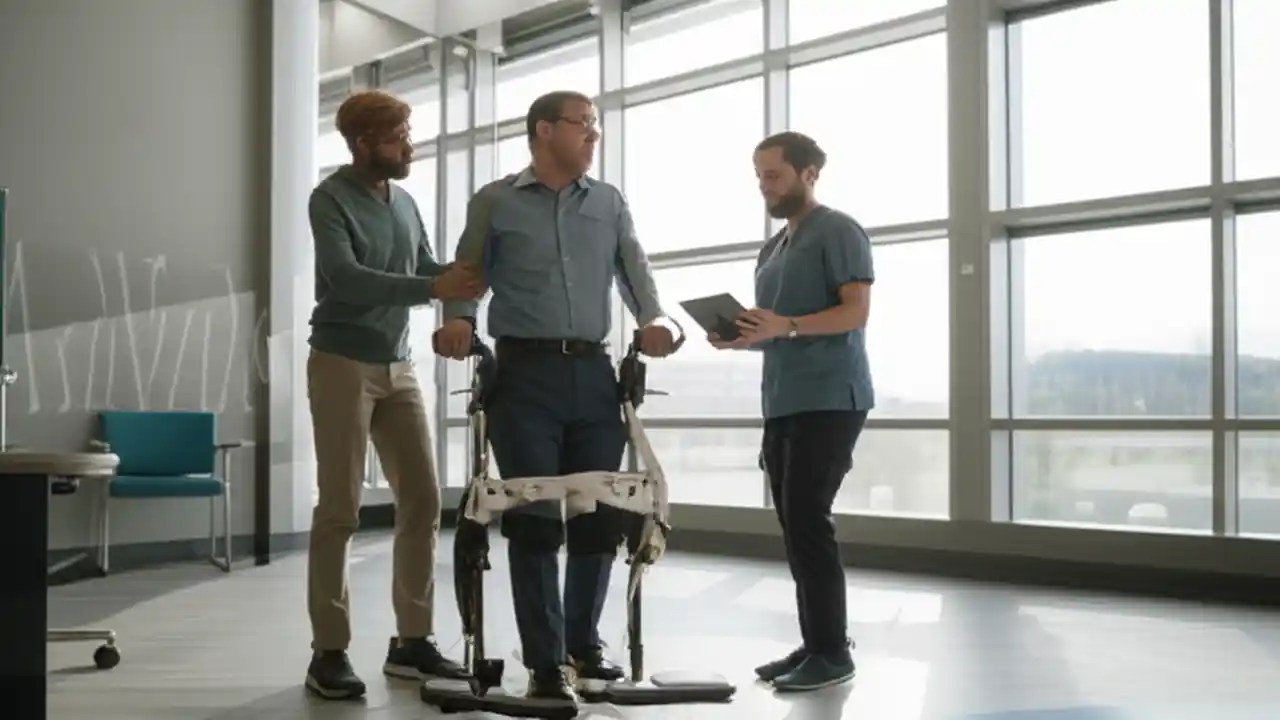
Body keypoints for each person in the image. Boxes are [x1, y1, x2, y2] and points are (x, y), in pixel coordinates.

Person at [433, 90, 679, 706]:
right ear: (545, 130)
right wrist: (460, 318)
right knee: (534, 517)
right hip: (523, 376)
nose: (593, 135)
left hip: (593, 375)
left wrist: (655, 321)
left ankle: (582, 642)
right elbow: (468, 273)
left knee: (600, 515)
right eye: (583, 125)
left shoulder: (609, 202)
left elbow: (635, 271)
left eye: (595, 126)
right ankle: (545, 661)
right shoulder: (496, 200)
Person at [304, 89, 483, 700]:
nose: (410, 145)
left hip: (397, 366)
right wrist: (434, 285)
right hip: (340, 362)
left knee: (425, 499)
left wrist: (457, 294)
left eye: (409, 132)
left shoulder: (404, 202)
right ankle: (328, 650)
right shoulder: (329, 199)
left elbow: (432, 265)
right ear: (363, 142)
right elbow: (347, 279)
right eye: (399, 135)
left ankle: (412, 641)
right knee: (340, 508)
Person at [711, 131, 873, 692]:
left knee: (808, 520)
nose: (764, 186)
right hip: (783, 400)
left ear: (809, 173)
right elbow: (778, 329)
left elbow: (854, 313)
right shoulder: (774, 246)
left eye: (774, 175)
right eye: (759, 176)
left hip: (831, 398)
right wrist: (743, 337)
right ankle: (818, 641)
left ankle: (833, 653)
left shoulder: (839, 230)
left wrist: (787, 326)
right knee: (794, 524)